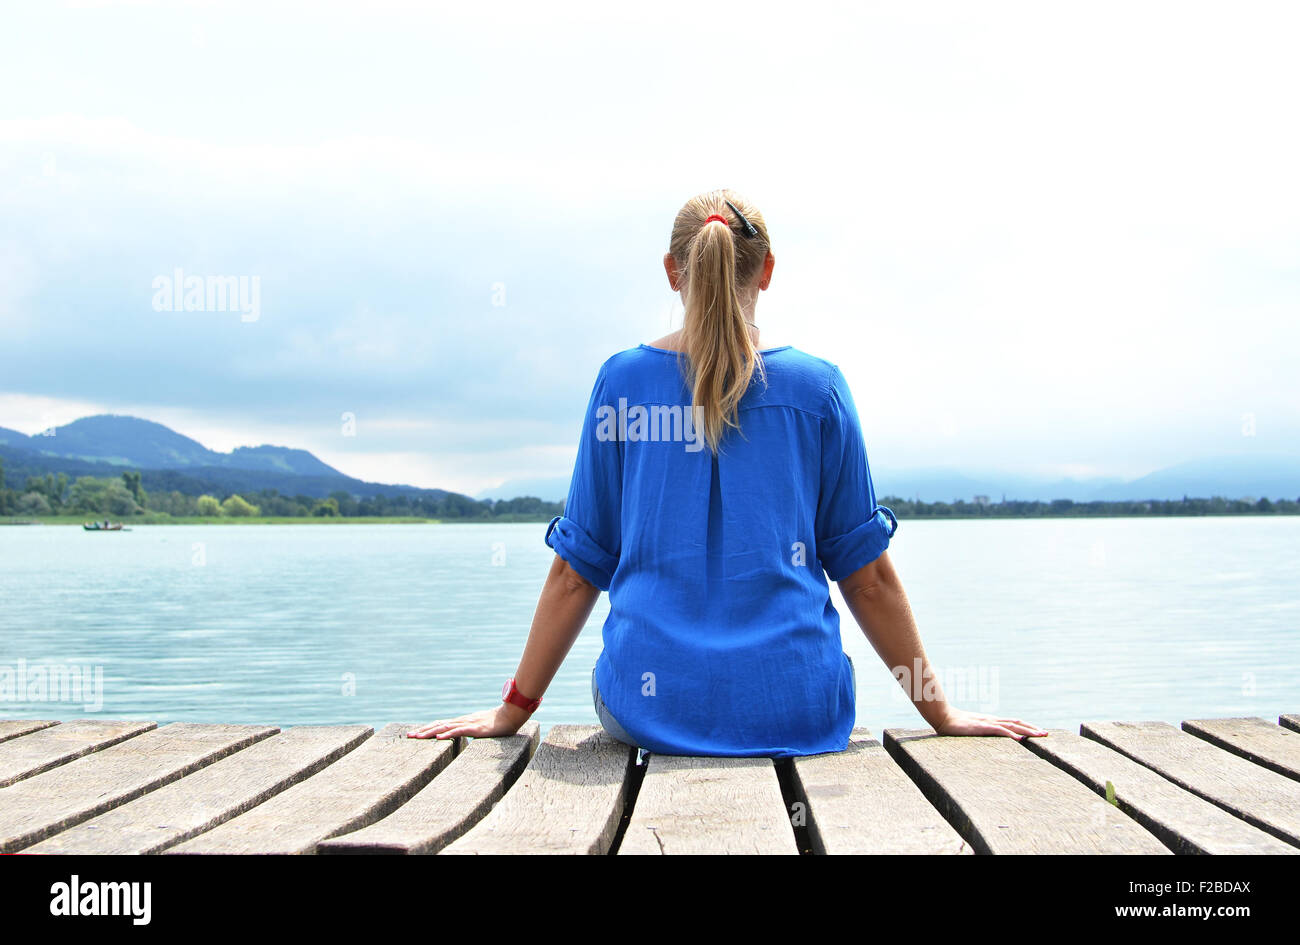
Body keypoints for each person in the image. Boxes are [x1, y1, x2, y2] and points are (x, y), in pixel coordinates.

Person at [409, 189, 1046, 756]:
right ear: (766, 271)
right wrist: (939, 711)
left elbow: (576, 573)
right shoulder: (818, 389)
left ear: (671, 272)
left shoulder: (622, 383)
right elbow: (869, 578)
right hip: (799, 710)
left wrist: (512, 709)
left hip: (647, 709)